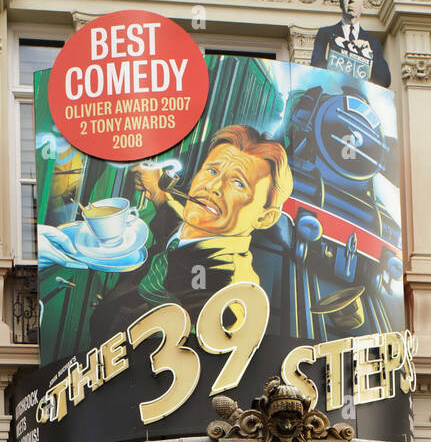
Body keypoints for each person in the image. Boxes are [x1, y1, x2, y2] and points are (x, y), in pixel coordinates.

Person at [88, 124, 293, 345]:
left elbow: (209, 313)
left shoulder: (226, 287)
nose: (213, 186)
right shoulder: (204, 232)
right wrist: (158, 192)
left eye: (237, 183)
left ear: (265, 218)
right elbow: (181, 232)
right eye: (212, 171)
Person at [310, 0, 391, 87]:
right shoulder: (325, 34)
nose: (351, 0)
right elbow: (315, 70)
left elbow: (385, 80)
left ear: (362, 7)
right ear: (340, 2)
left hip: (359, 99)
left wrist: (369, 55)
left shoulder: (373, 43)